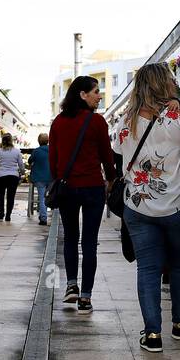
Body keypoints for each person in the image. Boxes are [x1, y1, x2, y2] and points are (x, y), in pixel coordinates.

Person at [111, 62, 180, 353]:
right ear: (165, 83)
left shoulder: (125, 121)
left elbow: (118, 154)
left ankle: (152, 334)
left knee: (148, 268)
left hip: (138, 207)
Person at [47, 75, 116, 312]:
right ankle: (86, 297)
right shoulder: (97, 121)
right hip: (92, 188)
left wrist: (59, 179)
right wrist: (112, 177)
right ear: (82, 94)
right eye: (96, 91)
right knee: (89, 242)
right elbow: (107, 156)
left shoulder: (58, 122)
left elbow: (53, 159)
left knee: (70, 238)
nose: (99, 96)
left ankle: (71, 286)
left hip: (67, 188)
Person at [0, 133, 24, 222]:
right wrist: (21, 173)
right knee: (11, 196)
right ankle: (8, 215)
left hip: (1, 175)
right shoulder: (17, 151)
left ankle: (1, 212)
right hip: (13, 176)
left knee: (0, 196)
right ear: (11, 141)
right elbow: (21, 165)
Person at [28, 133, 52, 225]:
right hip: (51, 177)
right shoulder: (52, 150)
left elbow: (30, 161)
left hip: (39, 178)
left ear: (39, 141)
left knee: (42, 198)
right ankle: (52, 214)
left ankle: (43, 218)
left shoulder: (36, 151)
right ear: (48, 141)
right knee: (49, 196)